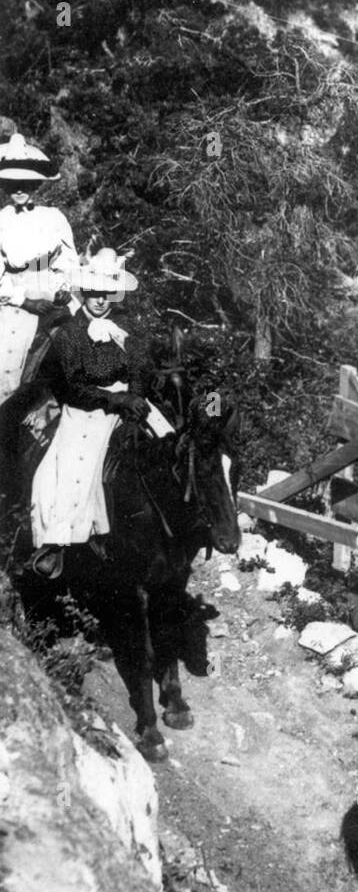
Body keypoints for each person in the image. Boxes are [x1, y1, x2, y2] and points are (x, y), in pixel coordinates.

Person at [29, 249, 172, 579]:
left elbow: (139, 368)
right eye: (93, 294)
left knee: (168, 442)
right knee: (72, 468)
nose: (99, 301)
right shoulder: (71, 333)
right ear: (84, 293)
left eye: (105, 294)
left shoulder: (124, 330)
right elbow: (70, 386)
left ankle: (181, 523)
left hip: (128, 402)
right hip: (87, 409)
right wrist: (116, 400)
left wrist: (135, 395)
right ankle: (63, 541)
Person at [0, 133, 77, 401]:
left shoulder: (53, 217)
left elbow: (67, 260)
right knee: (9, 363)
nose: (19, 189)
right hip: (15, 300)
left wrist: (65, 287)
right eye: (12, 183)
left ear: (35, 183)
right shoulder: (2, 221)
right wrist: (25, 302)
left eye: (25, 182)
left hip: (52, 291)